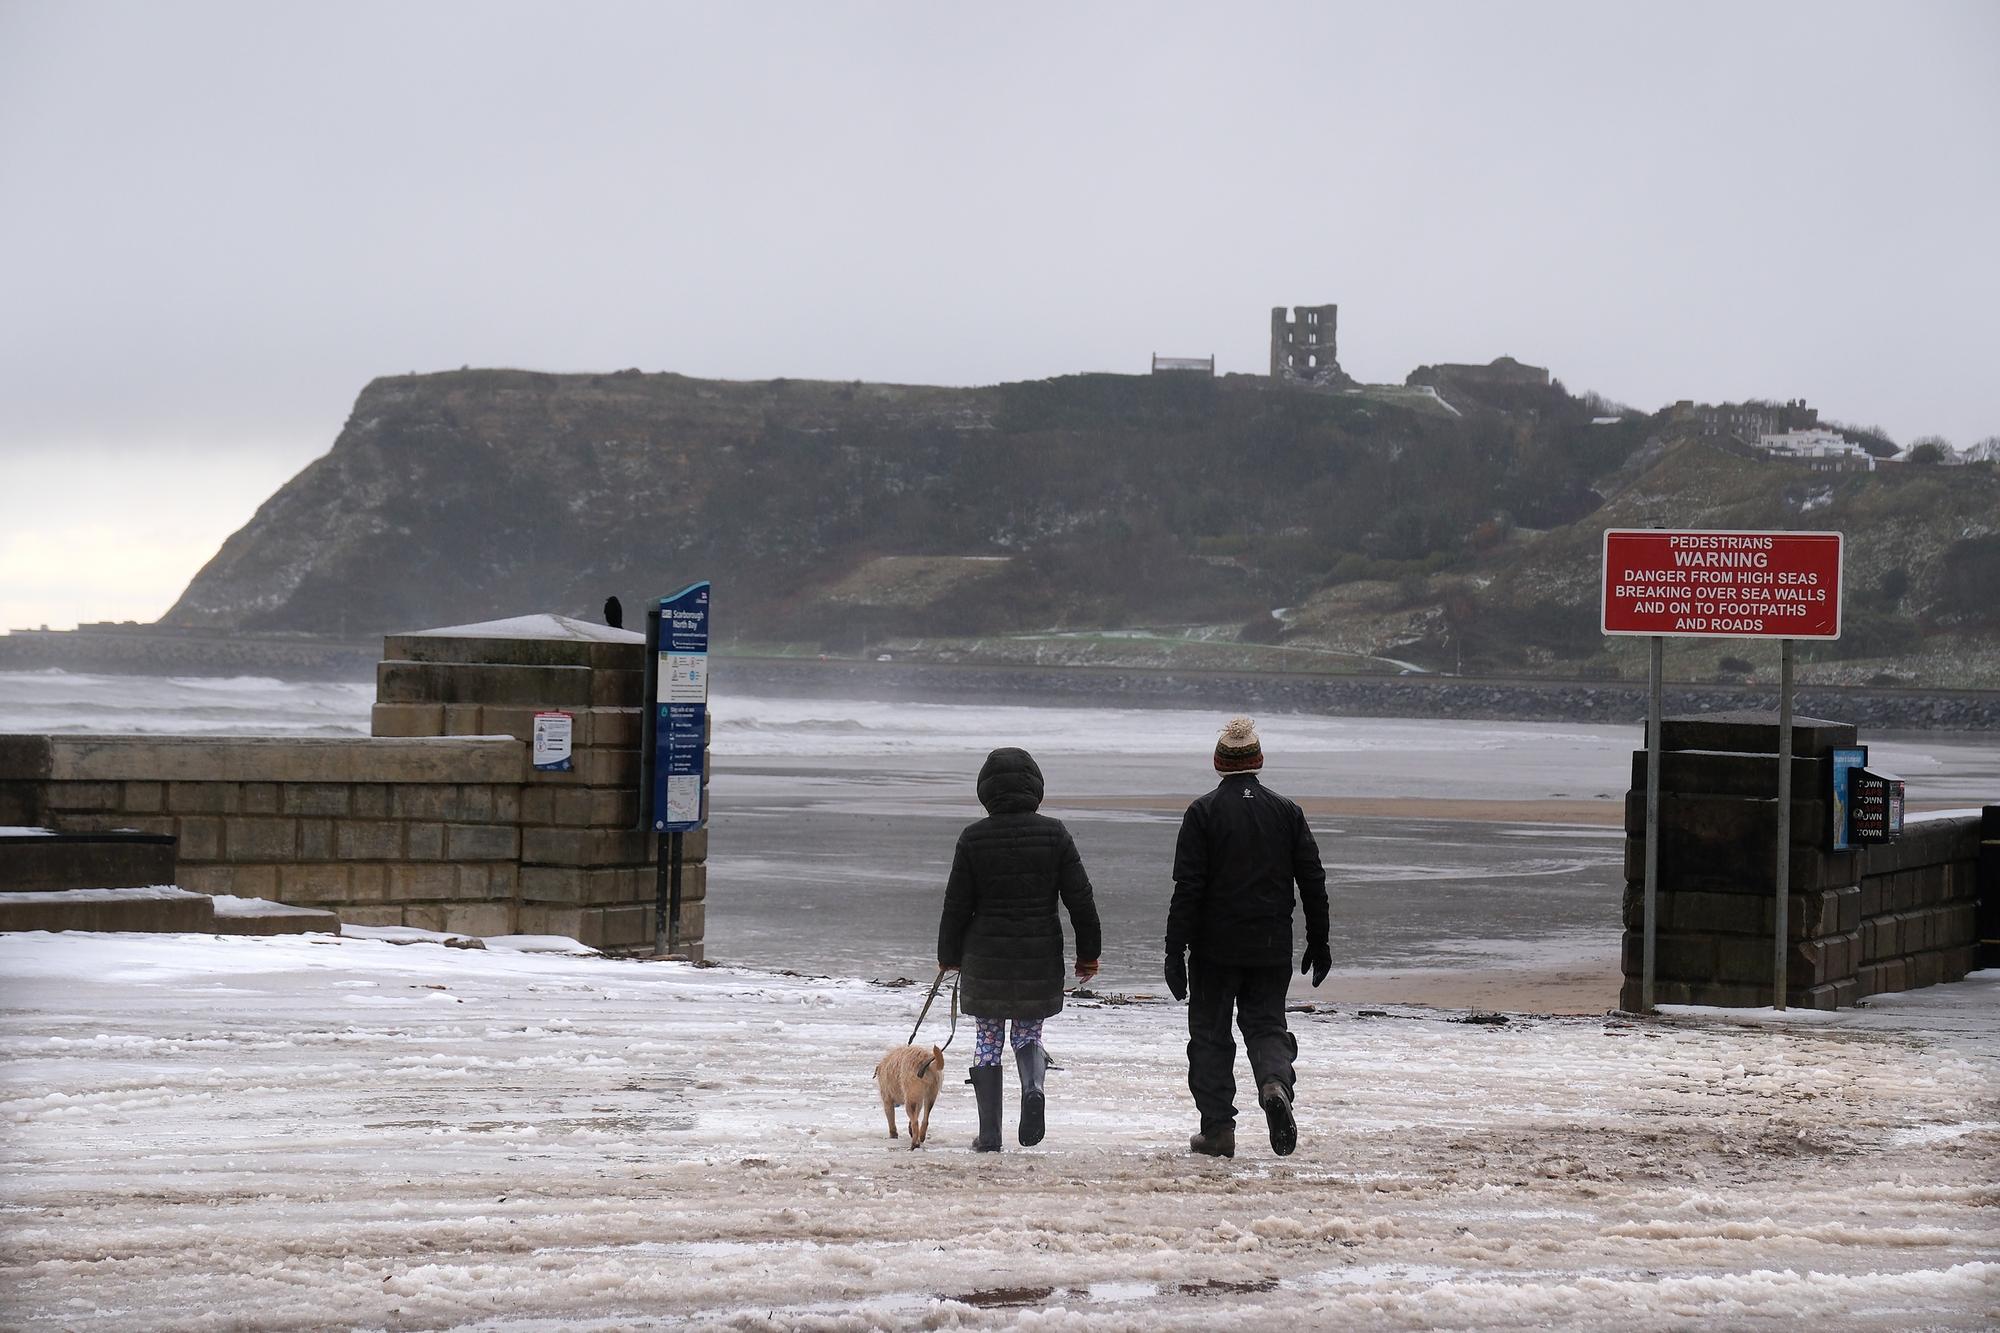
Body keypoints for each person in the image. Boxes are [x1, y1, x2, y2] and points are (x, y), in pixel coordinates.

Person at [1164, 716, 1329, 1158]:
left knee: (1210, 1036)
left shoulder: (1203, 813)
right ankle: (1274, 1083)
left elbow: (1189, 887)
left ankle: (1218, 1131)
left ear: (1218, 763)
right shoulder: (1286, 812)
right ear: (1258, 761)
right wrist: (1319, 938)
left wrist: (1173, 950)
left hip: (1214, 949)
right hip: (1271, 945)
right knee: (1266, 1025)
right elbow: (1312, 879)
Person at [937, 746, 1102, 1152]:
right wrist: (1088, 953)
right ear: (1035, 786)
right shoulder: (1055, 833)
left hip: (986, 956)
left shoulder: (973, 838)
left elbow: (956, 903)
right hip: (1039, 954)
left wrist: (948, 955)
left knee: (988, 1040)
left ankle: (990, 1134)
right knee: (1028, 1034)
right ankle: (1033, 1087)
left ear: (985, 790)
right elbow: (1080, 898)